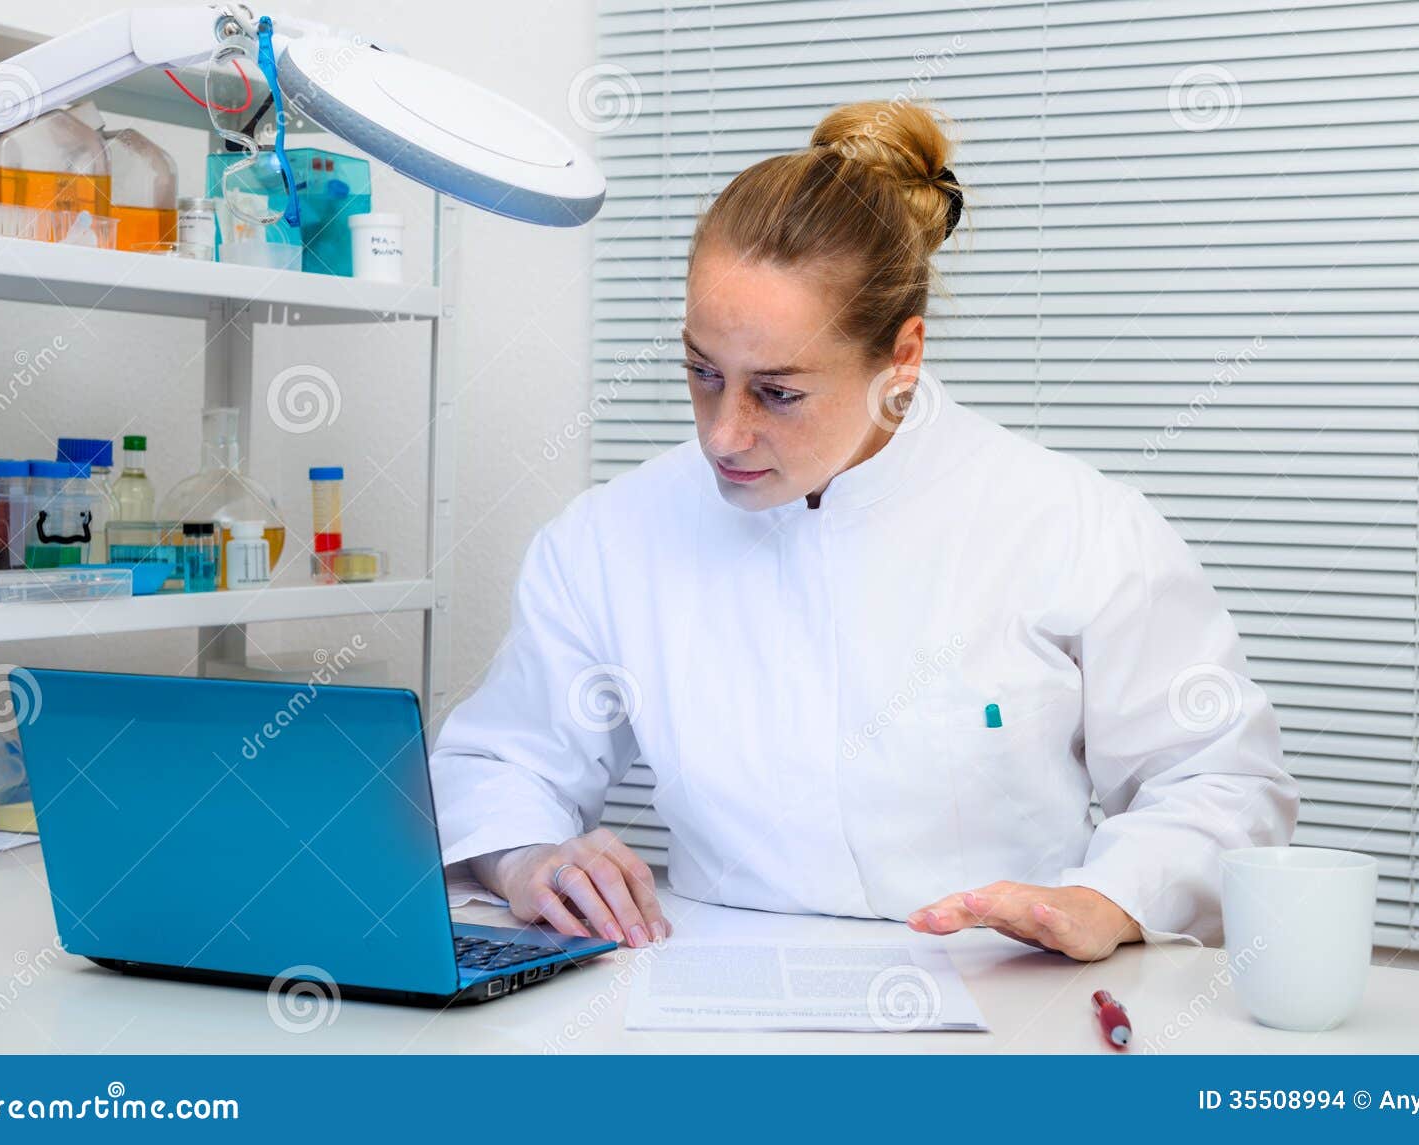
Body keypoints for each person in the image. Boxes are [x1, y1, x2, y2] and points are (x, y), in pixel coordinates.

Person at [430, 100, 1297, 961]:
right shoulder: (609, 541)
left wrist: (1105, 899)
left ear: (902, 357)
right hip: (707, 1001)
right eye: (702, 372)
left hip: (1005, 999)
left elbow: (1217, 779)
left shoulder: (1073, 527)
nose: (723, 433)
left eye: (778, 391)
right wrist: (526, 857)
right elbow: (504, 763)